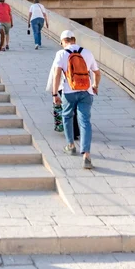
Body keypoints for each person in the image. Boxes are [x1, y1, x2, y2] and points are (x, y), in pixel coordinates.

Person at [51, 30, 100, 169]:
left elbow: (56, 75)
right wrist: (95, 85)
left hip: (69, 91)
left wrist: (55, 94)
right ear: (74, 39)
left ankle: (71, 145)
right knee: (85, 121)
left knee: (66, 116)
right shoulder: (87, 52)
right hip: (86, 91)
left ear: (62, 41)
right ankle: (86, 155)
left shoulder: (61, 54)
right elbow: (97, 72)